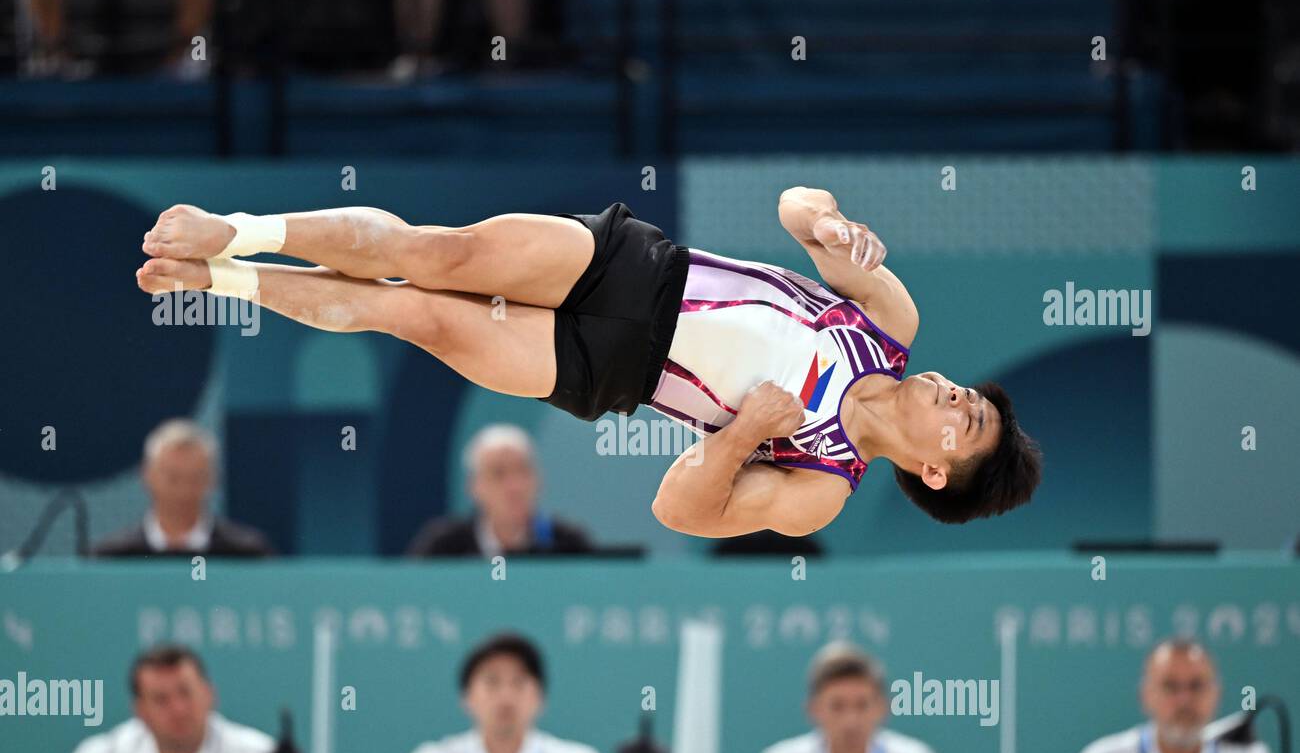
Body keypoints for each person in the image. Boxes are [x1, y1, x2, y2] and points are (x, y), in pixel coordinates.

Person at [134, 189, 1042, 538]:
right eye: (970, 395)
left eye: (965, 423)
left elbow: (678, 509)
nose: (954, 397)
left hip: (611, 368)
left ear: (934, 470)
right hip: (638, 268)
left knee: (410, 316)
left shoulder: (822, 486)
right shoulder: (888, 322)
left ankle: (223, 279)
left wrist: (744, 439)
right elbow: (792, 206)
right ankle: (242, 231)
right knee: (437, 252)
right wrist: (828, 222)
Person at [50, 644, 302, 753]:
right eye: (161, 700)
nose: (178, 709)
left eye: (186, 693)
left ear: (209, 695)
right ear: (141, 711)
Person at [393, 632, 620, 753]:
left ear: (540, 698)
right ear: (466, 698)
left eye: (519, 683)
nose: (506, 696)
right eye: (492, 682)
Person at [1059, 638, 1286, 753]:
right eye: (1170, 687)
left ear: (1216, 694)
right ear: (1145, 696)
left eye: (1196, 686)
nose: (1184, 700)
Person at [743, 641, 951, 753]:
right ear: (812, 710)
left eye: (862, 705)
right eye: (837, 706)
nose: (851, 721)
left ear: (883, 708)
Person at [91, 418, 275, 558]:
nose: (183, 491)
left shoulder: (248, 554)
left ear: (212, 480)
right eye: (173, 478)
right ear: (147, 476)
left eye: (195, 478)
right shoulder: (113, 557)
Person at [406, 424, 593, 557]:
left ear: (538, 479)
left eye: (523, 471)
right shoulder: (442, 548)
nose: (515, 486)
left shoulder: (569, 546)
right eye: (498, 474)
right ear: (474, 486)